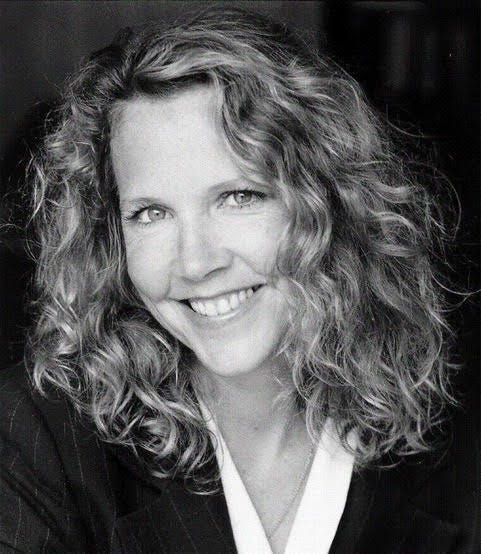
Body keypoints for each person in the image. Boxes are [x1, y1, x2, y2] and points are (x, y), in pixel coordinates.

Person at [0, 8, 477, 554]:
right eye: (150, 213)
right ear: (111, 236)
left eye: (238, 197)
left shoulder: (458, 440)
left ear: (331, 202)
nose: (195, 263)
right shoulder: (38, 436)